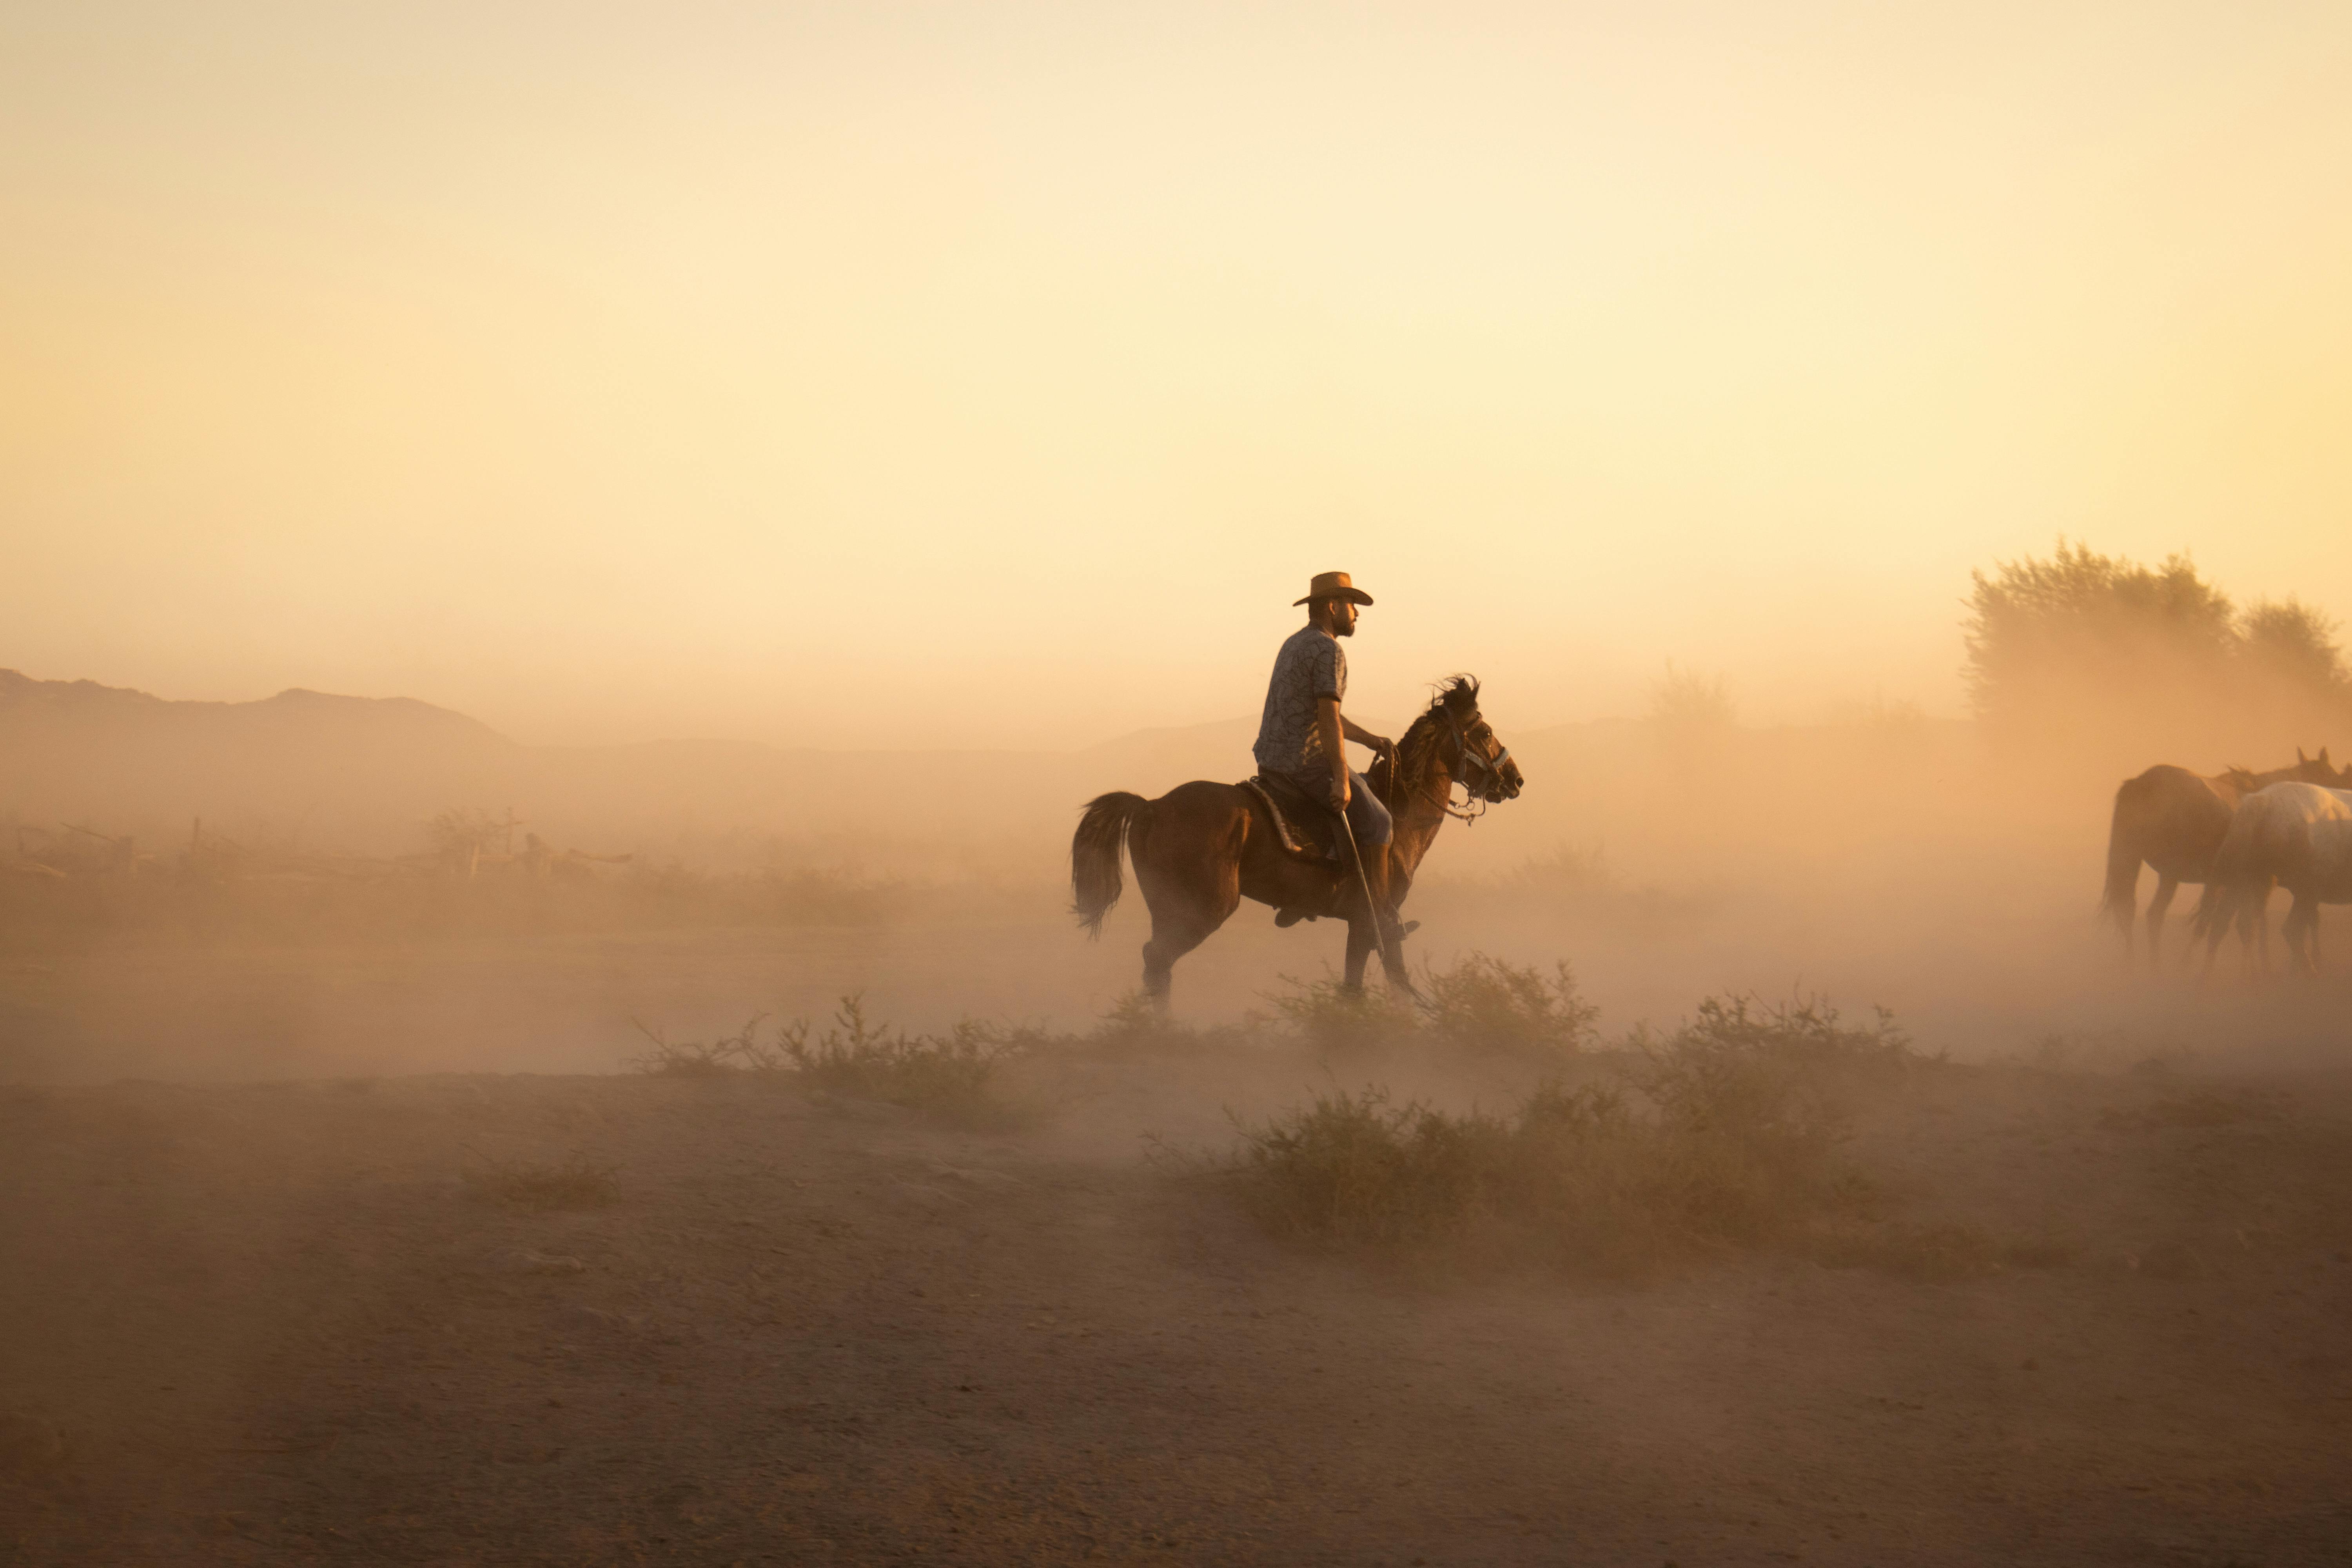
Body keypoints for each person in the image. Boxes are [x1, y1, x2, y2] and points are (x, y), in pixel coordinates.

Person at [1253, 571, 1399, 918]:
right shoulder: (1329, 650)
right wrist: (1341, 778)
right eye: (1352, 605)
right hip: (1304, 763)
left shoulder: (1294, 643)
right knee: (1379, 822)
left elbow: (1322, 713)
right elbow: (1328, 719)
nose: (1357, 613)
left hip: (1271, 760)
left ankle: (1310, 885)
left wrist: (1371, 740)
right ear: (1333, 607)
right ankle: (1376, 913)